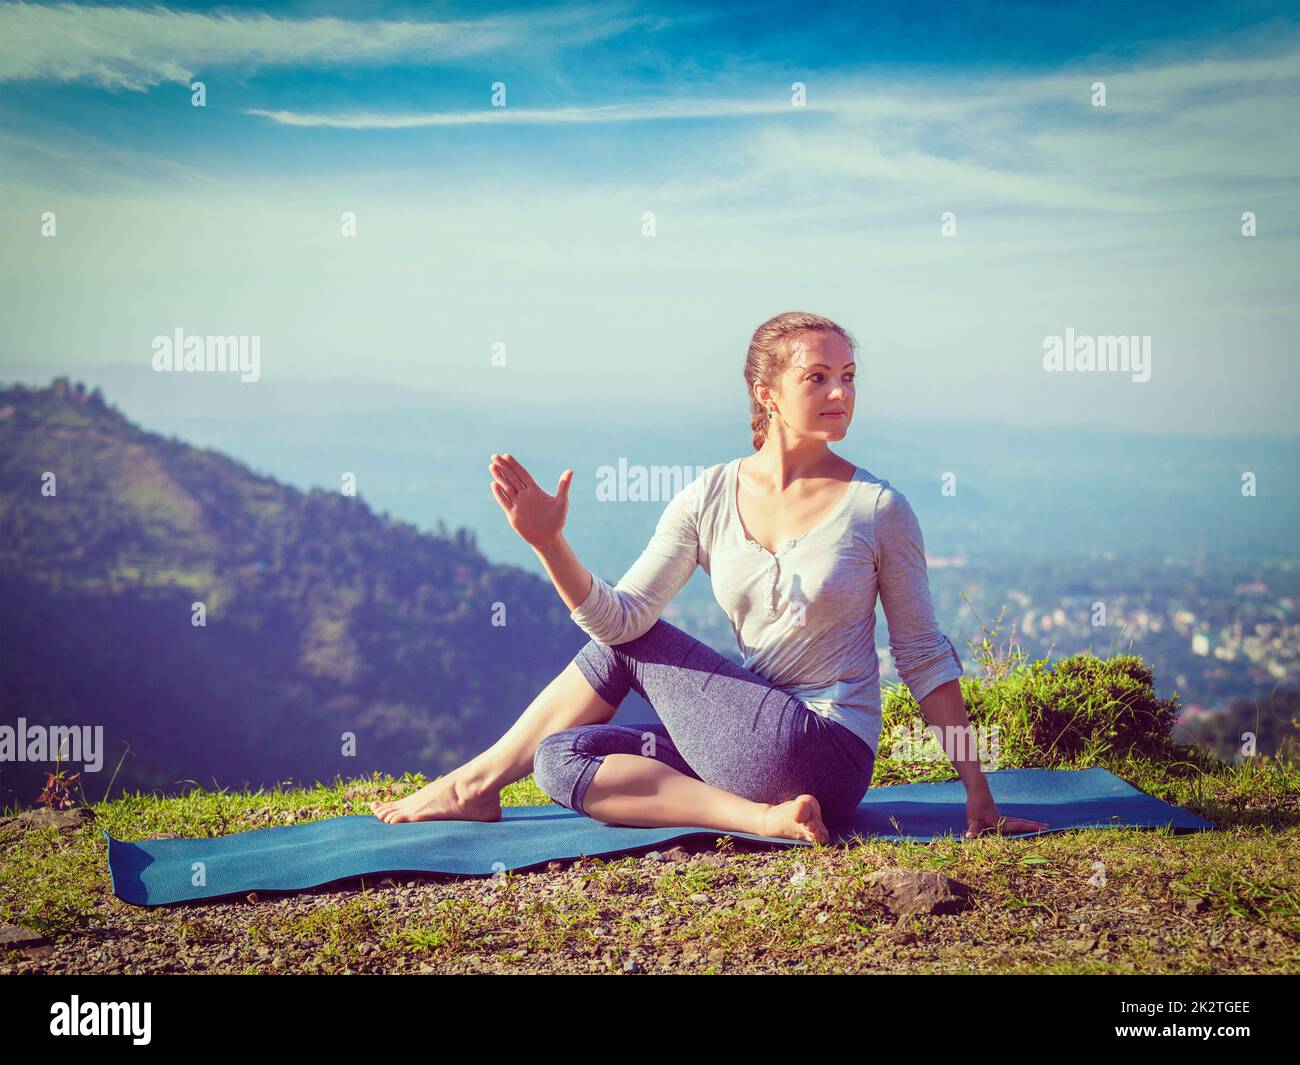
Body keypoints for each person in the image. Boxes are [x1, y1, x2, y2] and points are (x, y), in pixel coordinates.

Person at [372, 311, 1048, 843]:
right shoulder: (709, 495)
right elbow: (620, 612)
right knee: (561, 760)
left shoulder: (878, 510)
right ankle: (761, 819)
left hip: (826, 749)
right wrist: (550, 544)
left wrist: (977, 793)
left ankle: (476, 781)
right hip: (746, 744)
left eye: (848, 376)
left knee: (625, 645)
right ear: (766, 393)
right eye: (818, 378)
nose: (841, 392)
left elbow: (923, 653)